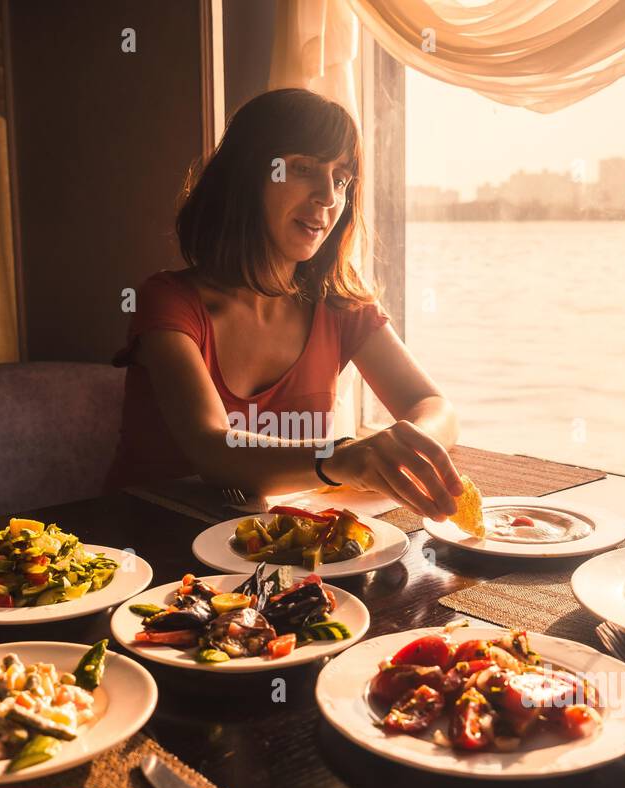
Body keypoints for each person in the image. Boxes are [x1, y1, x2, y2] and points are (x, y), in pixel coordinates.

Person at [105, 88, 462, 521]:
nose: (328, 196)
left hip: (264, 552)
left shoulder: (338, 302)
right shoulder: (168, 303)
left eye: (341, 178)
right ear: (247, 175)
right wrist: (340, 457)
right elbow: (211, 446)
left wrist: (407, 440)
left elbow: (435, 406)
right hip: (145, 551)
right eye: (304, 168)